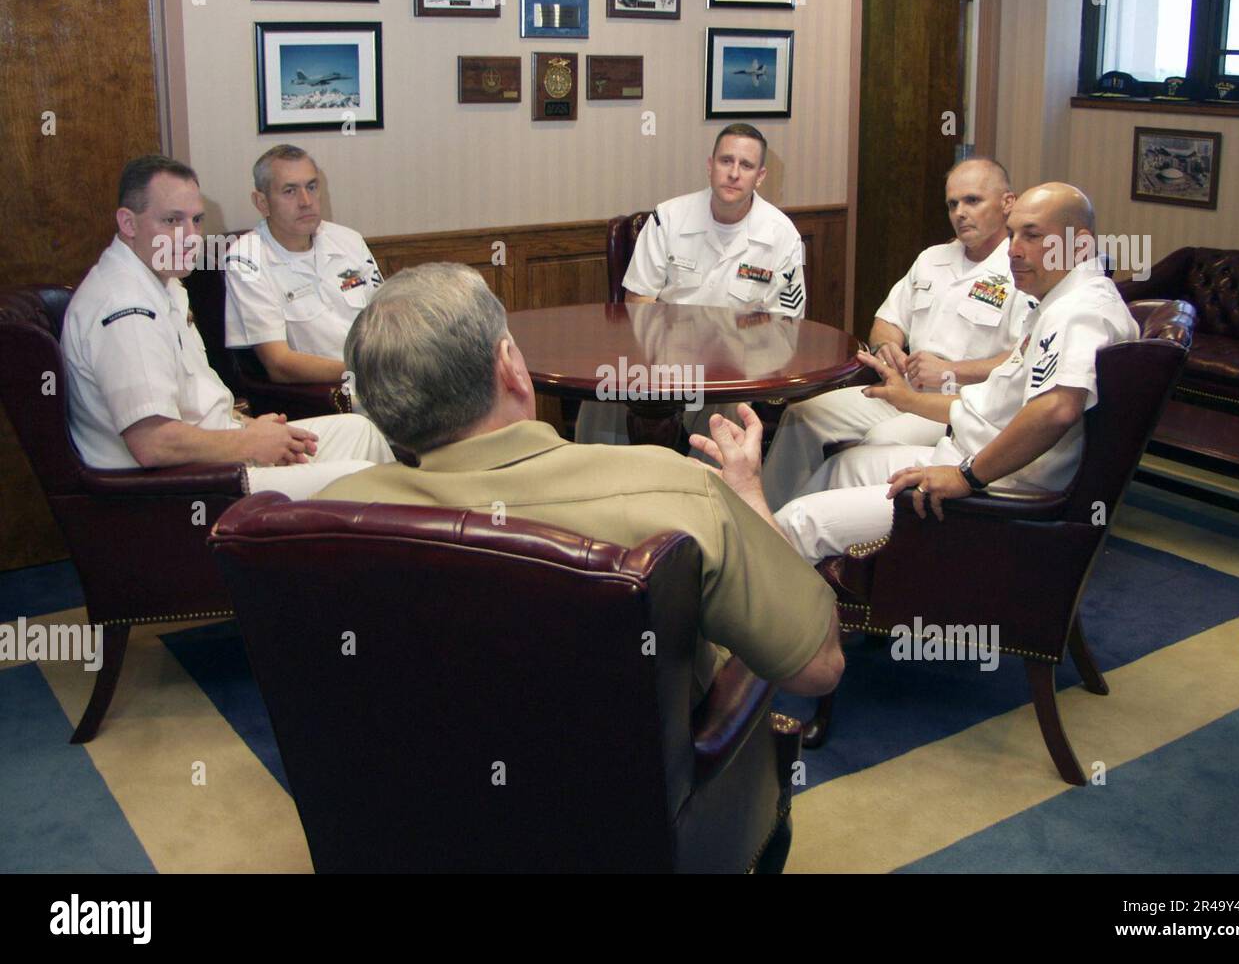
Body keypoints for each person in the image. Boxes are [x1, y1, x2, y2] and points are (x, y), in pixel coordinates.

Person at [320, 262, 844, 705]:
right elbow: (817, 665)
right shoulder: (674, 492)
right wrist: (749, 497)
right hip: (635, 802)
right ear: (510, 368)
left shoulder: (322, 522)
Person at [693, 182, 1138, 564]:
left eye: (1032, 236)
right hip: (963, 449)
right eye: (1015, 233)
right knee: (839, 469)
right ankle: (794, 588)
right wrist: (906, 397)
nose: (1015, 249)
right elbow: (993, 404)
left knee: (799, 520)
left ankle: (763, 640)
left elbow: (1057, 410)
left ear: (1078, 245)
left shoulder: (1080, 312)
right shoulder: (1055, 299)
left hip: (997, 490)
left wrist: (967, 477)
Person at [61, 155, 394, 499]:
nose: (191, 237)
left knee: (360, 433)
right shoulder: (126, 308)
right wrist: (246, 442)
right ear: (128, 223)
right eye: (172, 220)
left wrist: (250, 428)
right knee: (362, 476)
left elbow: (197, 402)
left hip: (220, 444)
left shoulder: (165, 283)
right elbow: (152, 443)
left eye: (197, 220)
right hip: (183, 482)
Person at [762, 158, 1030, 510]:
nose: (960, 213)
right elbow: (886, 321)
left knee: (879, 441)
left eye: (973, 201)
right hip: (902, 387)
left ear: (1007, 202)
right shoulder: (932, 258)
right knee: (804, 417)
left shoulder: (1020, 270)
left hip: (960, 406)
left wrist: (953, 371)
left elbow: (1020, 361)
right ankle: (767, 517)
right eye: (953, 204)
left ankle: (844, 537)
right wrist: (888, 347)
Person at [575, 123, 806, 446]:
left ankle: (701, 490)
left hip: (737, 366)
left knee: (723, 415)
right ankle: (598, 484)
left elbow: (786, 326)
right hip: (663, 357)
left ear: (761, 176)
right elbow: (636, 305)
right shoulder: (667, 219)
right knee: (601, 393)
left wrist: (731, 338)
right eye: (726, 161)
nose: (734, 173)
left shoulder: (782, 237)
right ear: (710, 165)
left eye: (746, 165)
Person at [224, 144, 383, 384]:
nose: (306, 201)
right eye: (290, 191)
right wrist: (366, 372)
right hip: (330, 392)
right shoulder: (246, 259)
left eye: (311, 186)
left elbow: (387, 317)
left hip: (384, 377)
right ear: (262, 202)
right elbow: (279, 364)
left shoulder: (348, 240)